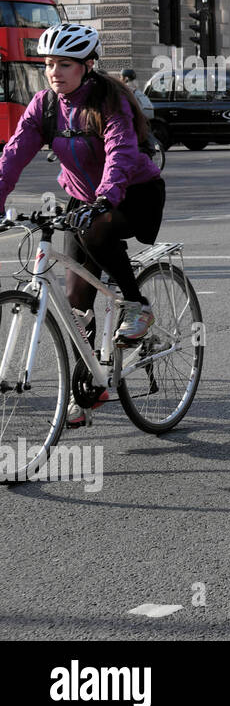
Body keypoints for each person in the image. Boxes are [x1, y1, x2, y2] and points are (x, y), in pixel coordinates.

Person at [0, 24, 164, 427]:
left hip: (133, 193)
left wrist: (106, 197)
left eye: (65, 64)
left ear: (88, 66)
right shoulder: (45, 105)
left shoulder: (110, 102)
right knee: (77, 306)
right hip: (83, 200)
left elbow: (120, 152)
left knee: (97, 230)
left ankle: (136, 305)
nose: (54, 72)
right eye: (49, 64)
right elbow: (13, 154)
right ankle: (90, 385)